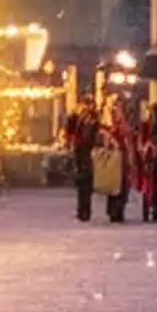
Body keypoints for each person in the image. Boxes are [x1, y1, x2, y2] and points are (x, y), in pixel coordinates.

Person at [65, 94, 100, 222]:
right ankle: (82, 209)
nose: (87, 107)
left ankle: (86, 210)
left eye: (89, 104)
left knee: (87, 183)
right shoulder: (77, 117)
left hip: (90, 153)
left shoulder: (94, 118)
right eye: (85, 104)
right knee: (81, 183)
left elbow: (97, 134)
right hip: (80, 153)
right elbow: (70, 131)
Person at [100, 94, 132, 223]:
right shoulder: (107, 124)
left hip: (122, 157)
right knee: (114, 184)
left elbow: (128, 137)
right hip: (113, 157)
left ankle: (119, 209)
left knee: (122, 184)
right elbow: (104, 136)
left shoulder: (124, 123)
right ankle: (114, 210)